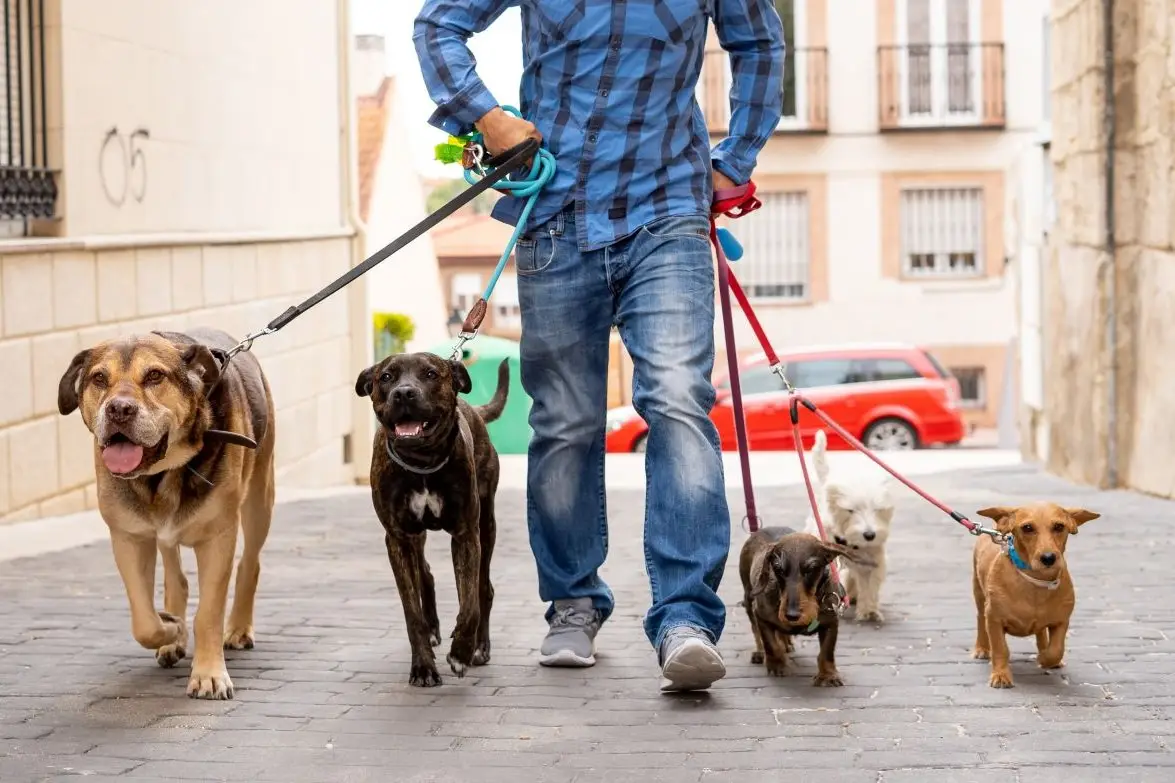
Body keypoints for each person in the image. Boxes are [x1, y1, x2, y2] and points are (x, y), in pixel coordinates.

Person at [414, 0, 784, 692]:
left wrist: (735, 157)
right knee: (566, 420)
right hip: (556, 215)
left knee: (677, 398)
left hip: (667, 212)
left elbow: (758, 44)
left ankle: (684, 618)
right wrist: (486, 118)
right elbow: (438, 25)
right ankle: (573, 601)